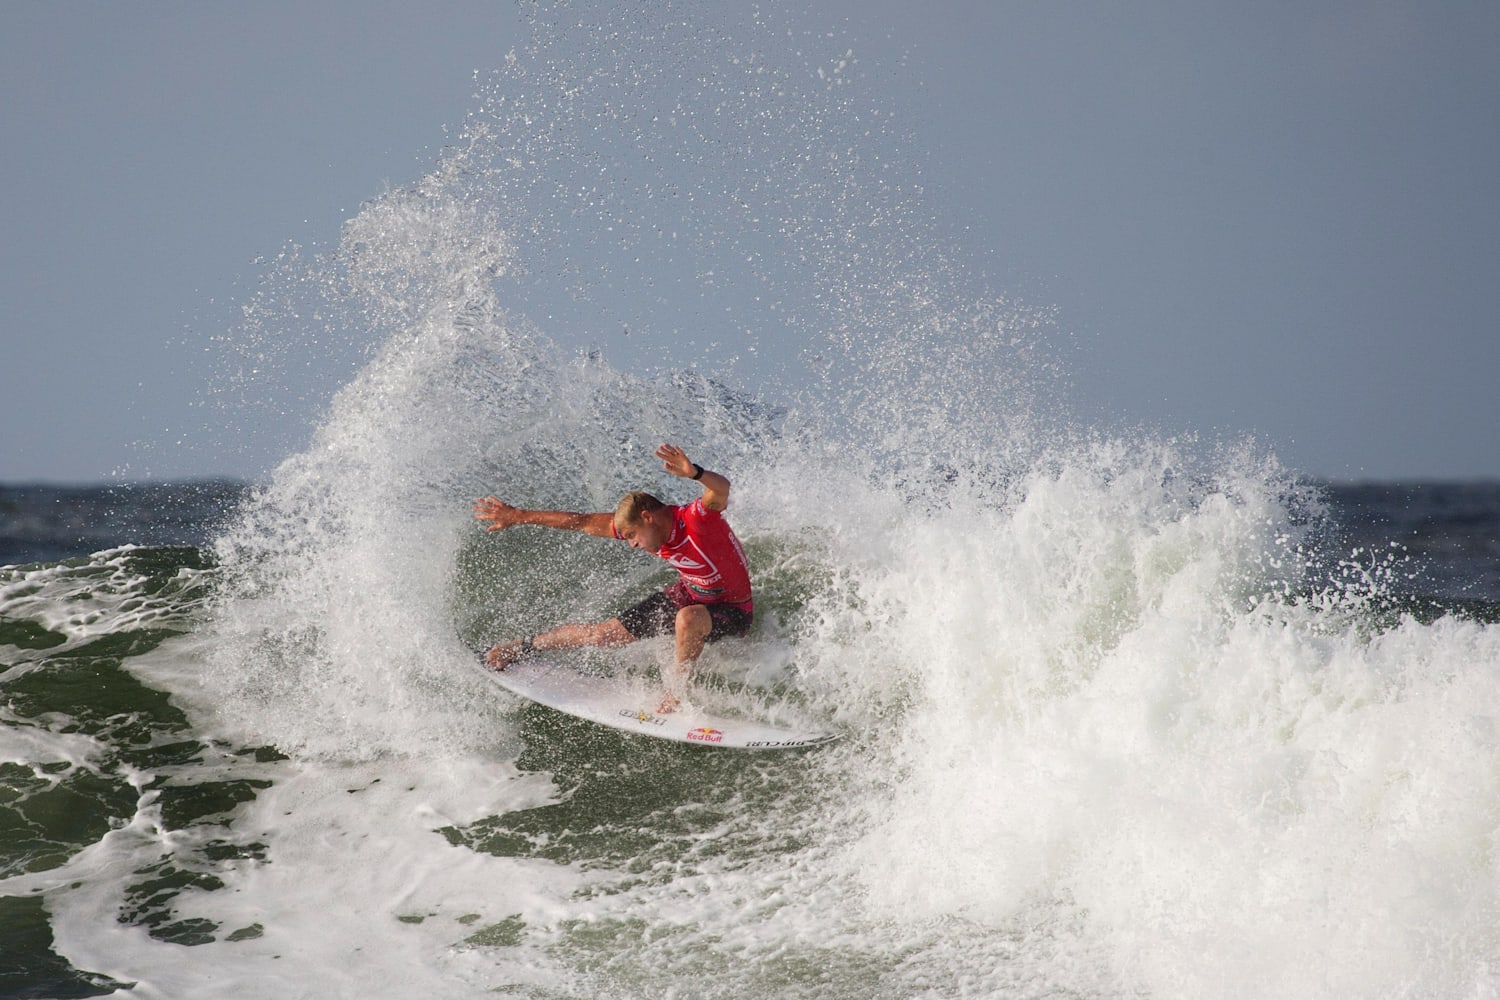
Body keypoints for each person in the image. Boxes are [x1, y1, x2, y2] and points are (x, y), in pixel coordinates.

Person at [473, 443, 753, 713]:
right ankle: (523, 647)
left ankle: (676, 693)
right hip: (690, 594)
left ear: (647, 517)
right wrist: (519, 516)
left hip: (734, 609)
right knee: (600, 634)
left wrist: (695, 474)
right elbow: (581, 521)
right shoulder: (648, 531)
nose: (631, 544)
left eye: (632, 535)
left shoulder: (696, 519)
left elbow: (722, 489)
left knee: (687, 619)